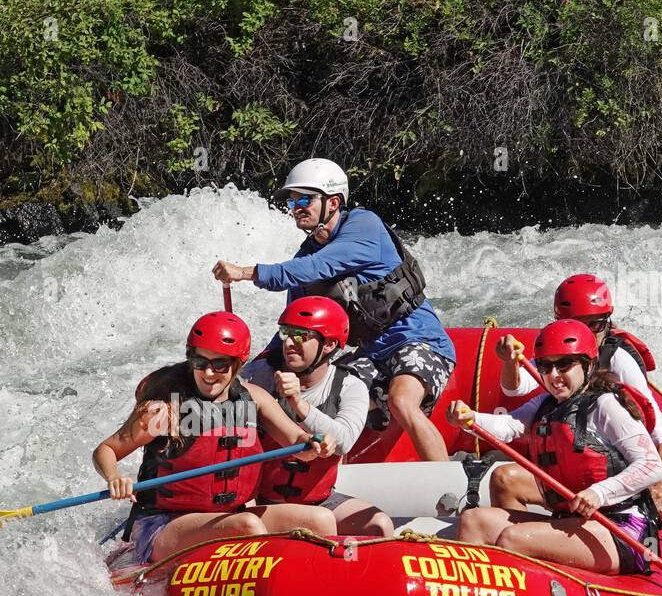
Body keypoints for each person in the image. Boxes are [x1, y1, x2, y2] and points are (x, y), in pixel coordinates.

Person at [212, 158, 455, 462]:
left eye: (305, 199)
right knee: (326, 399)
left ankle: (447, 489)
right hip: (371, 353)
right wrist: (249, 372)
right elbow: (293, 326)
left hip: (419, 340)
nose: (296, 207)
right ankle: (321, 479)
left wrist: (246, 272)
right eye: (292, 200)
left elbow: (318, 266)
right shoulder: (305, 258)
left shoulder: (365, 226)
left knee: (401, 400)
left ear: (334, 202)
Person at [94, 311, 338, 564]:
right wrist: (114, 477)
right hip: (164, 524)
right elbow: (106, 449)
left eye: (219, 364)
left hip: (228, 516)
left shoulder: (254, 398)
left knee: (320, 520)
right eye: (200, 363)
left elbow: (297, 442)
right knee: (246, 525)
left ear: (238, 363)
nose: (208, 373)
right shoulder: (165, 409)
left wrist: (316, 444)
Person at [446, 320, 662, 575]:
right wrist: (470, 418)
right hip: (571, 521)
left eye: (564, 364)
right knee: (473, 521)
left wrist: (599, 493)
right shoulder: (546, 404)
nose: (554, 375)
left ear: (588, 364)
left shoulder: (606, 406)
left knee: (514, 538)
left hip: (621, 529)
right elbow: (508, 425)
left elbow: (651, 465)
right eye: (546, 366)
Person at [492, 274, 662, 511]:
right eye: (577, 324)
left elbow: (658, 431)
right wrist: (509, 362)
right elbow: (514, 388)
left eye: (595, 325)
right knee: (505, 480)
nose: (587, 333)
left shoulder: (618, 360)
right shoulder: (557, 352)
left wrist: (661, 485)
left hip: (613, 464)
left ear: (607, 321)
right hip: (575, 463)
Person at [240, 296, 393, 536]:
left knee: (379, 525)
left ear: (329, 345)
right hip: (259, 499)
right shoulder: (257, 376)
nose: (289, 342)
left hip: (319, 499)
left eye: (300, 335)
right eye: (285, 333)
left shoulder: (350, 386)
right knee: (320, 521)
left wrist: (299, 404)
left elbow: (343, 441)